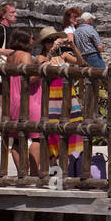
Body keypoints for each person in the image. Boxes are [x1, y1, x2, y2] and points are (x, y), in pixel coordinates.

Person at [35, 27, 84, 173]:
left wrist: (73, 46)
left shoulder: (64, 56)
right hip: (51, 99)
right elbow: (41, 65)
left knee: (73, 130)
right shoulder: (41, 57)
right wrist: (50, 52)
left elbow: (81, 63)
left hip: (69, 97)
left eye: (53, 40)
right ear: (44, 43)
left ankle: (70, 169)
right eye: (49, 41)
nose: (52, 43)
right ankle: (55, 172)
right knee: (53, 134)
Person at [4, 29, 42, 175]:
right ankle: (33, 173)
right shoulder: (24, 55)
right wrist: (41, 68)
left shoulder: (10, 56)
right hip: (28, 99)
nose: (32, 42)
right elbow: (29, 78)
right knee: (36, 136)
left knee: (18, 139)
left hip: (13, 99)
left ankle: (22, 173)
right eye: (31, 39)